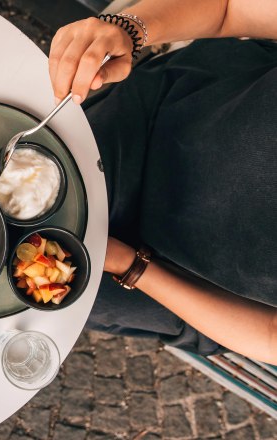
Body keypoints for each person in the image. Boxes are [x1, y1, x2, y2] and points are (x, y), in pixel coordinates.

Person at [46, 0, 277, 363]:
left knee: (36, 299)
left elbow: (270, 335)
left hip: (186, 281)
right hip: (165, 118)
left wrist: (130, 266)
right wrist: (128, 29)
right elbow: (230, 10)